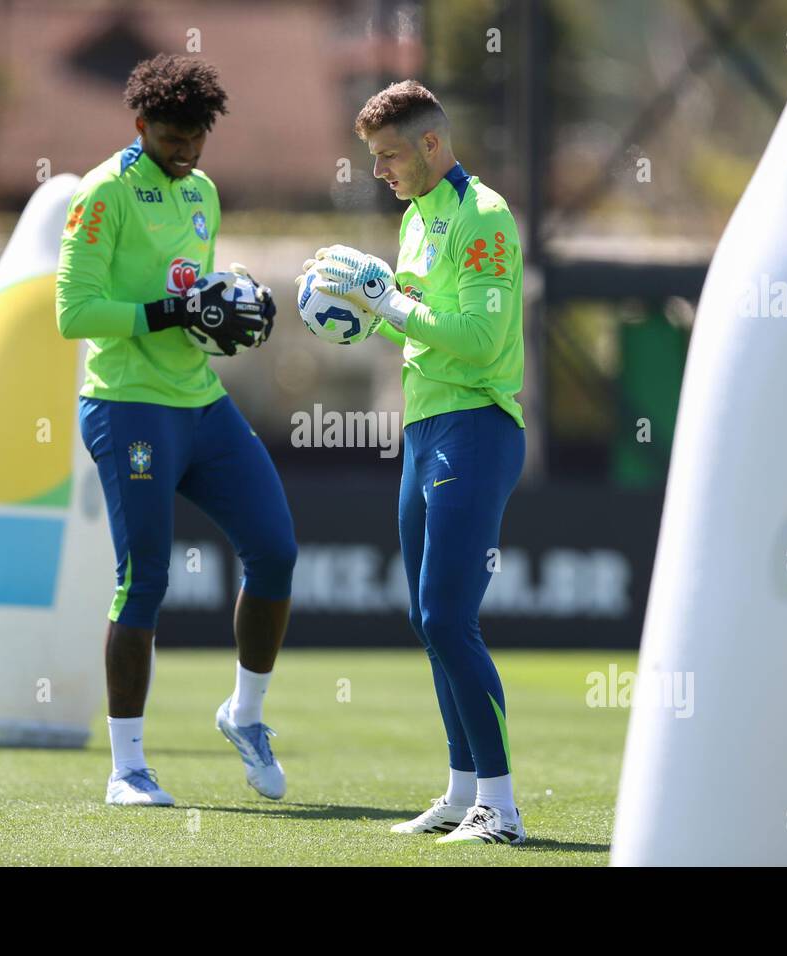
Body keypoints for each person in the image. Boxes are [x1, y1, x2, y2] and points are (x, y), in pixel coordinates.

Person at [57, 54, 297, 807]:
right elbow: (75, 311)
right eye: (170, 136)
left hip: (199, 402)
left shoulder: (203, 193)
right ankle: (127, 767)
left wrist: (235, 310)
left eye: (196, 137)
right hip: (127, 404)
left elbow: (196, 299)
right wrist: (171, 315)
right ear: (140, 125)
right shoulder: (104, 193)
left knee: (277, 550)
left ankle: (245, 715)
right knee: (147, 579)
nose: (185, 150)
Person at [300, 80, 527, 844]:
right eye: (373, 157)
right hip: (425, 426)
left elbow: (480, 340)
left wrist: (388, 303)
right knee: (427, 620)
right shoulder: (417, 220)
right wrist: (372, 309)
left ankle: (503, 807)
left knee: (447, 616)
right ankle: (464, 792)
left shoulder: (483, 216)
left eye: (390, 154)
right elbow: (422, 329)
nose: (380, 171)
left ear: (433, 143)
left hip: (477, 427)